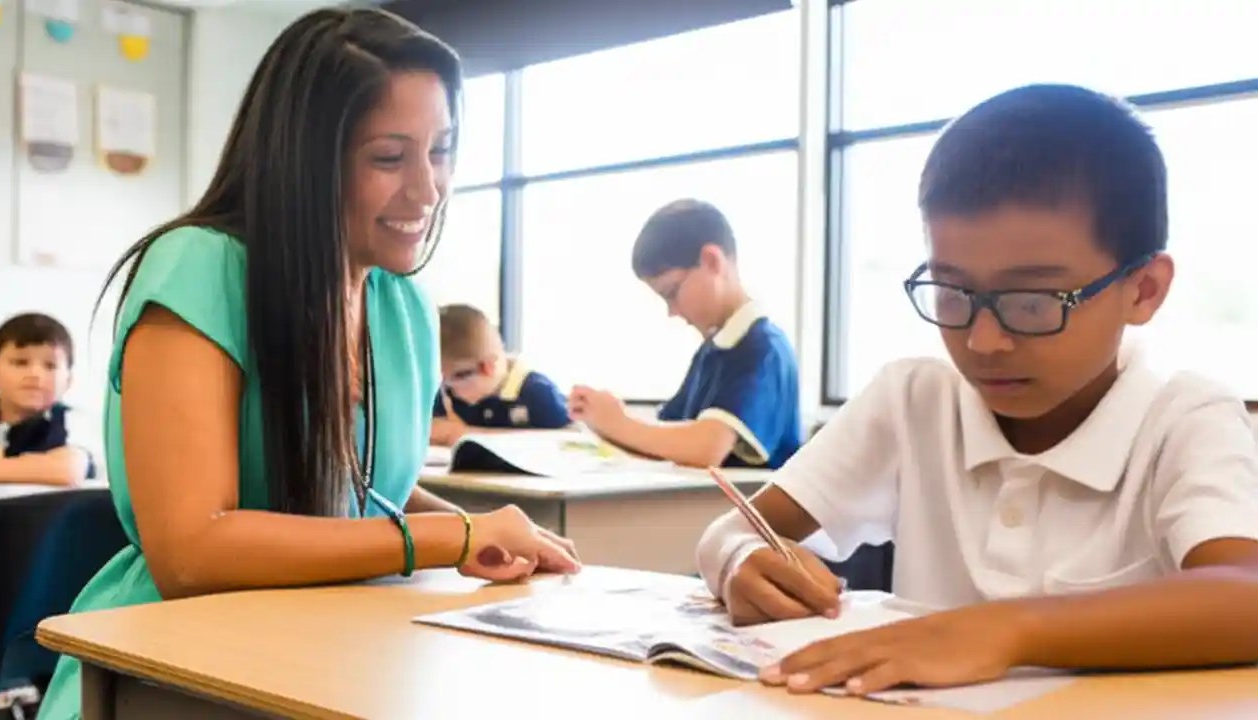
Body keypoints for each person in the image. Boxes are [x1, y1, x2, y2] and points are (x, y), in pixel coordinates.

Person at [38, 9, 579, 719]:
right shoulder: (201, 269)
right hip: (172, 674)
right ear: (305, 159)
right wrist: (455, 536)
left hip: (338, 656)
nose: (428, 189)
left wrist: (485, 535)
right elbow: (191, 550)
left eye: (440, 150)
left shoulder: (402, 302)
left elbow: (360, 485)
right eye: (390, 158)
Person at [696, 84, 1258, 696]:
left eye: (1033, 302)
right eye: (953, 293)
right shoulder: (914, 399)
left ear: (1143, 290)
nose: (985, 341)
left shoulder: (1186, 419)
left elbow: (1246, 593)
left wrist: (1004, 631)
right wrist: (734, 559)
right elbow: (740, 526)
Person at [569, 199, 801, 469]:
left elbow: (708, 447)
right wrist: (602, 421)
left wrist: (620, 423)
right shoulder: (712, 351)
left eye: (671, 293)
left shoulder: (762, 349)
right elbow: (666, 435)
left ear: (712, 261)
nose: (672, 311)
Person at [430, 303, 570, 446]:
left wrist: (466, 433)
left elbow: (563, 441)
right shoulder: (447, 394)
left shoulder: (540, 394)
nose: (449, 392)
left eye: (452, 383)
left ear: (488, 367)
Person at [0, 313, 93, 485]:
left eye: (50, 366)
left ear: (68, 381)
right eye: (20, 362)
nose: (35, 374)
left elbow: (68, 471)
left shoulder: (73, 421)